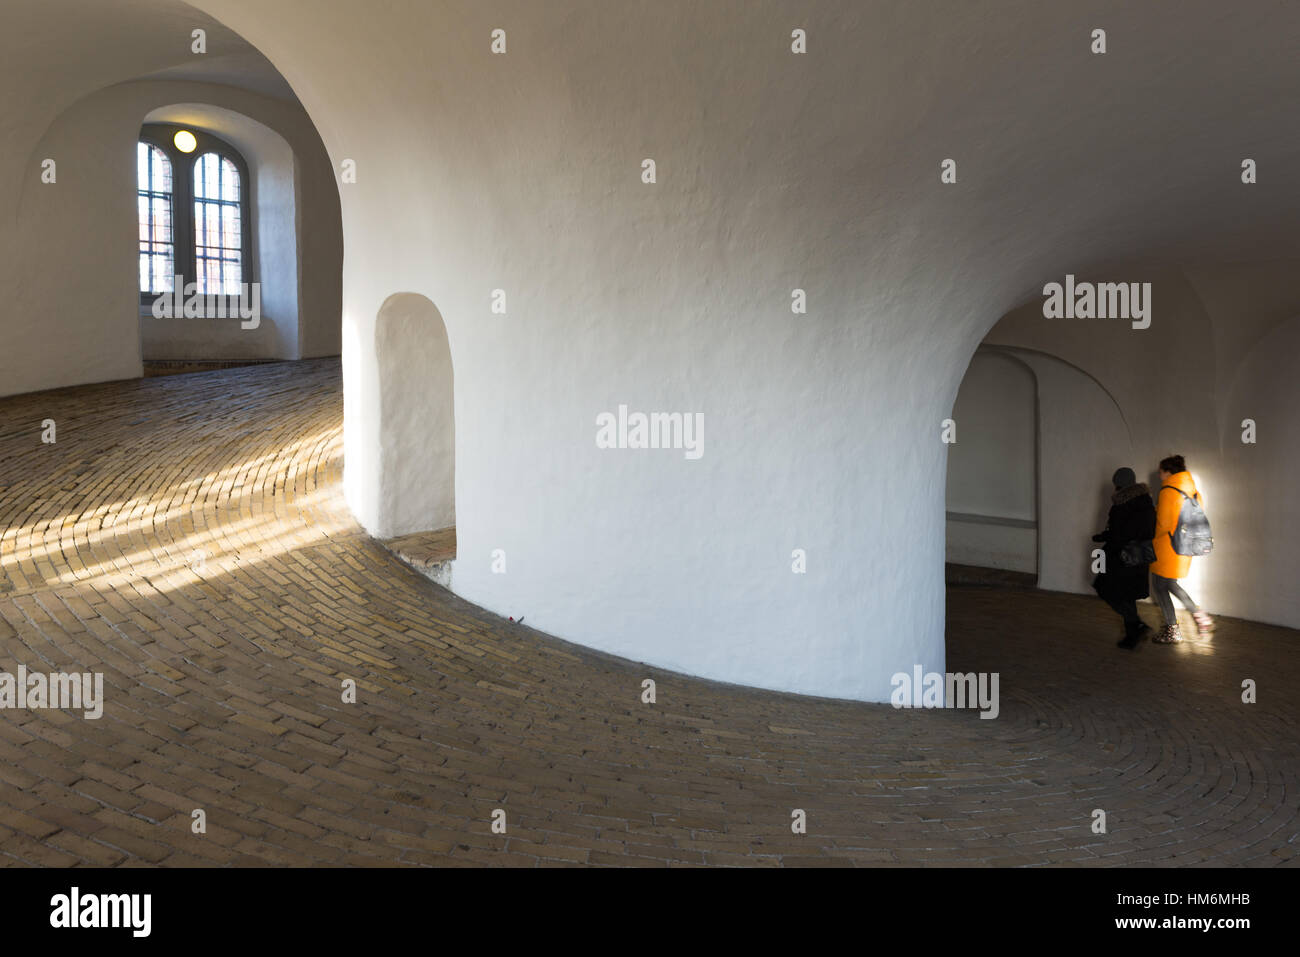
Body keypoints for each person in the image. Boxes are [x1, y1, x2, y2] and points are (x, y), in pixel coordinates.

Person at [1150, 454, 1214, 643]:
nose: (1159, 475)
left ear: (1168, 472)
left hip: (1166, 548)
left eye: (1161, 471)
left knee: (1159, 586)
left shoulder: (1168, 491)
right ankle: (1199, 615)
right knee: (1169, 584)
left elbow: (1163, 524)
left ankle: (1173, 630)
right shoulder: (1193, 491)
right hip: (1184, 547)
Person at [1092, 467, 1157, 649]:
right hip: (1140, 555)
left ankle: (1136, 624)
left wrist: (1105, 538)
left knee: (1105, 589)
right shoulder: (1146, 501)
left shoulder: (1122, 504)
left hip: (1122, 556)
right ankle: (1132, 635)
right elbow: (1145, 530)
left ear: (1118, 484)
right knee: (1126, 595)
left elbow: (1119, 534)